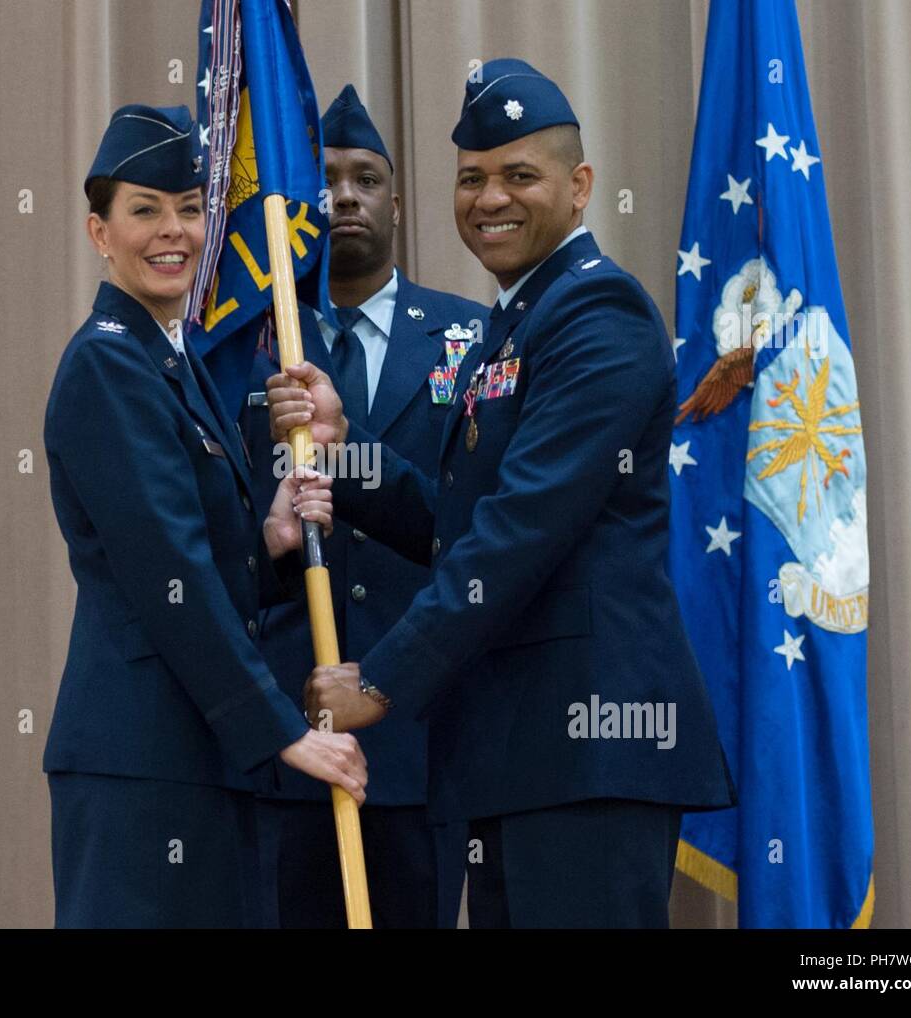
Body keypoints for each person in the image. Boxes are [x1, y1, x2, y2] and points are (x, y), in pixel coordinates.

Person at [267, 60, 735, 928]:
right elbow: (458, 525)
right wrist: (342, 450)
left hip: (590, 748)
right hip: (516, 755)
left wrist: (383, 681)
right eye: (471, 178)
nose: (490, 199)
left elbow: (520, 529)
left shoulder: (600, 316)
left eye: (519, 175)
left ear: (579, 186)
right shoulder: (514, 326)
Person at [42, 103, 367, 929]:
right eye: (144, 210)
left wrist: (272, 540)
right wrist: (284, 731)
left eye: (189, 209)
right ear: (98, 232)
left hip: (199, 755)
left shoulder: (168, 359)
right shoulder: (108, 365)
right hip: (143, 763)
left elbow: (203, 554)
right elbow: (170, 573)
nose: (172, 231)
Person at [240, 85, 487, 929]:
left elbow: (473, 527)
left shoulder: (472, 341)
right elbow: (227, 531)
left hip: (420, 736)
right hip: (289, 736)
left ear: (397, 204)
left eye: (366, 180)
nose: (344, 196)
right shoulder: (253, 345)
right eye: (326, 181)